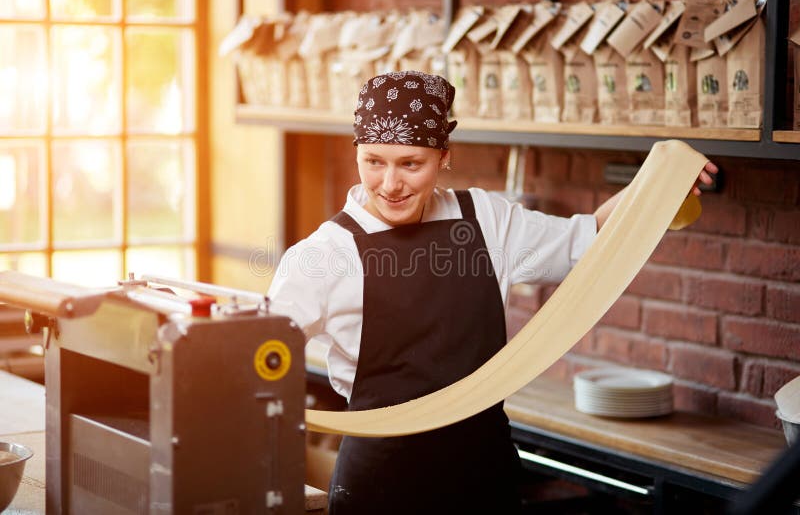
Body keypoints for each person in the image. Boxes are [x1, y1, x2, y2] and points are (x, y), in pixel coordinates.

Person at [268, 70, 718, 514]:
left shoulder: (485, 219)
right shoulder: (323, 255)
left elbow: (591, 239)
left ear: (444, 156)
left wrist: (660, 180)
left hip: (483, 472)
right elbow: (260, 356)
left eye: (410, 164)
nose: (390, 184)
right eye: (373, 162)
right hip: (383, 483)